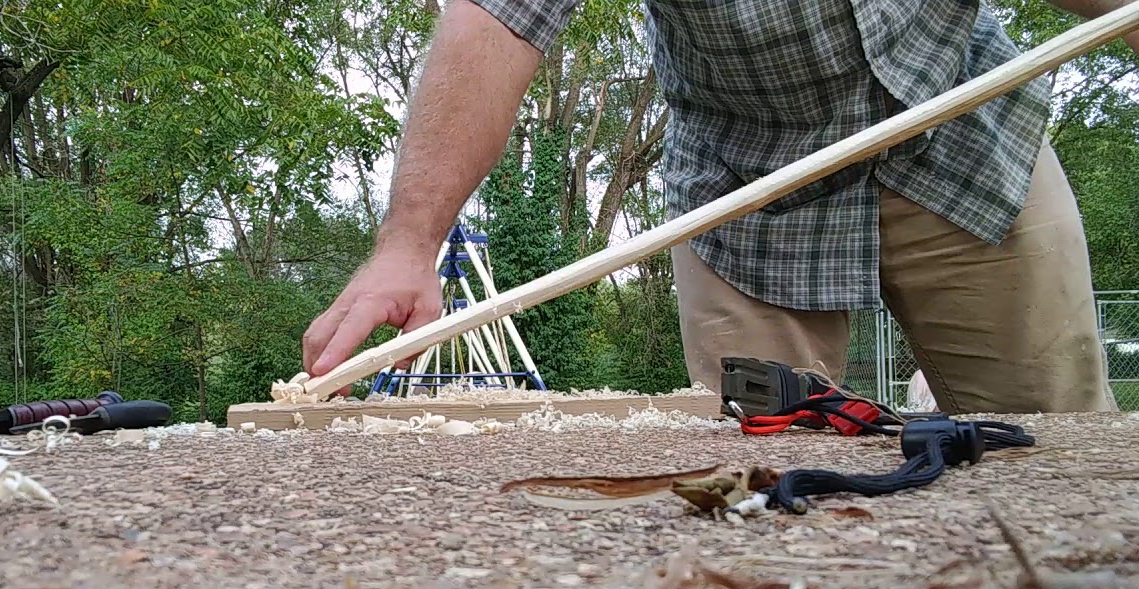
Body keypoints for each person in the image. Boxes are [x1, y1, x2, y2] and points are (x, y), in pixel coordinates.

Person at [303, 0, 1135, 414]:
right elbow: (497, 20)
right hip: (745, 189)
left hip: (966, 131)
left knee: (1052, 438)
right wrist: (410, 242)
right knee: (763, 473)